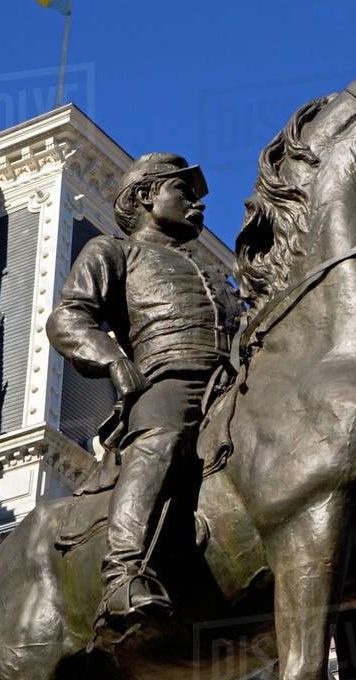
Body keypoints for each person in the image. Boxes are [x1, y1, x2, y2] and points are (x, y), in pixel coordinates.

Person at [46, 153, 241, 631]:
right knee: (162, 440)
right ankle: (123, 573)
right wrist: (114, 360)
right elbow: (67, 319)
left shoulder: (215, 276)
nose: (197, 204)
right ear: (145, 197)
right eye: (184, 192)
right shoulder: (113, 253)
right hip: (169, 378)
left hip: (231, 383)